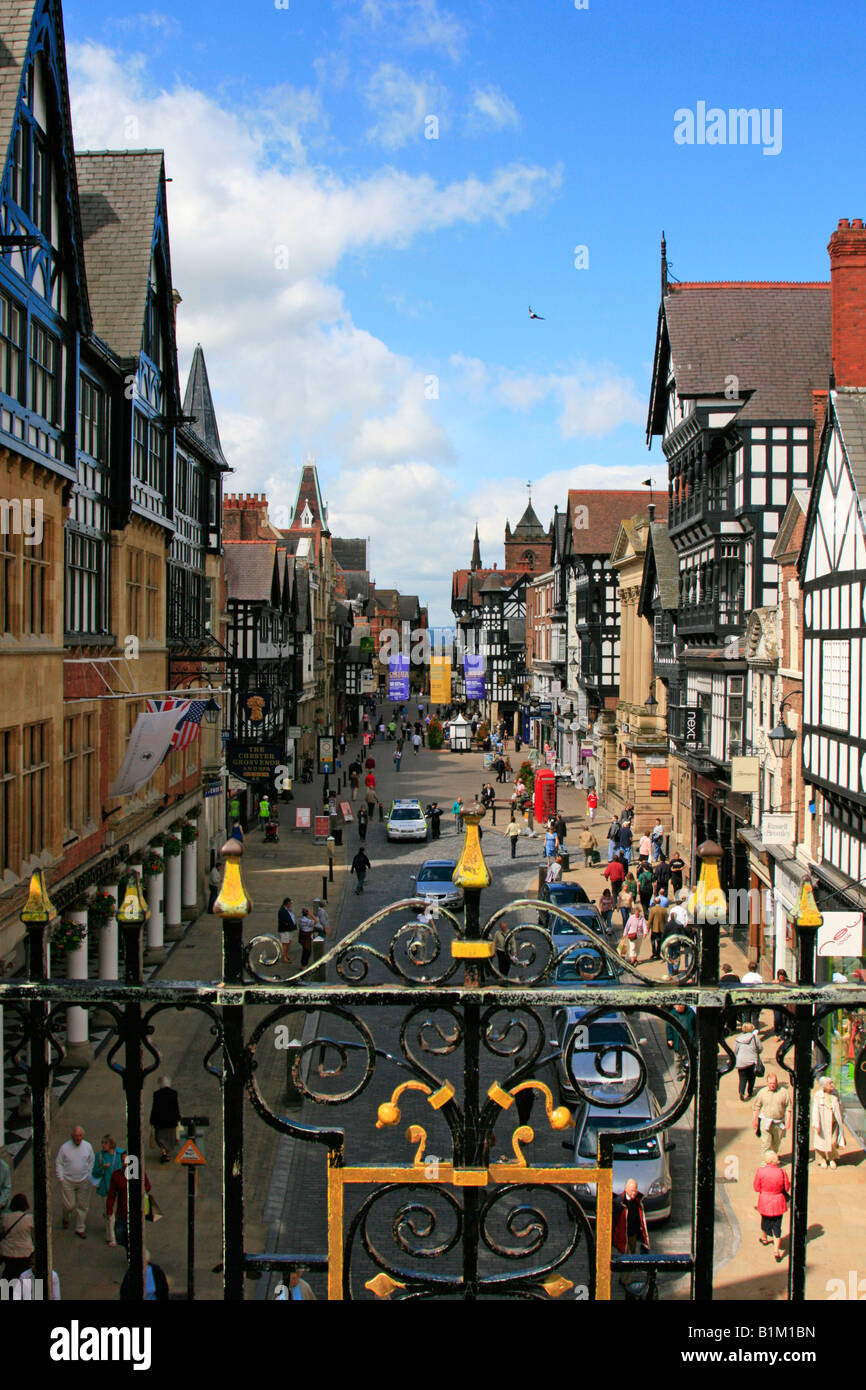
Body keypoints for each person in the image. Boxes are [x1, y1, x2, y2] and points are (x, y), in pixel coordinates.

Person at [56, 1125, 95, 1238]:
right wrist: (61, 1178)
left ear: (83, 1136)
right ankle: (65, 1216)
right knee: (69, 1205)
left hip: (84, 1180)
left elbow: (92, 1161)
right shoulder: (64, 1147)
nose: (78, 1138)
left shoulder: (88, 1146)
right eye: (76, 1136)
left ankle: (80, 1228)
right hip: (68, 1181)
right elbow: (59, 1162)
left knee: (83, 1206)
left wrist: (89, 1175)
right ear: (72, 1136)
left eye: (80, 1136)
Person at [753, 1151, 790, 1262]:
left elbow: (756, 1187)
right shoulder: (782, 1172)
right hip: (778, 1202)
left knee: (765, 1220)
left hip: (765, 1201)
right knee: (777, 1226)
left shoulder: (760, 1171)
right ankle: (776, 1251)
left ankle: (764, 1238)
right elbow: (787, 1188)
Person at [611, 1179, 649, 1286]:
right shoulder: (619, 1203)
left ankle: (623, 1277)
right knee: (628, 1258)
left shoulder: (638, 1201)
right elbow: (614, 1220)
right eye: (632, 1190)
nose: (634, 1193)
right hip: (623, 1235)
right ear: (626, 1189)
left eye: (635, 1190)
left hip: (633, 1234)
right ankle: (625, 1281)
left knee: (631, 1255)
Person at [106, 1165, 153, 1250]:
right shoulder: (116, 1175)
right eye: (123, 1161)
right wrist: (109, 1210)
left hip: (135, 1213)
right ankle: (131, 1250)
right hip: (122, 1213)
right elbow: (111, 1194)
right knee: (120, 1237)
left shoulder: (138, 1173)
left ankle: (136, 1253)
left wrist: (139, 1190)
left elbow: (148, 1186)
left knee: (135, 1238)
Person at [91, 1134, 126, 1245]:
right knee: (110, 1214)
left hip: (119, 1188)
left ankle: (109, 1230)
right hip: (106, 1188)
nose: (103, 1145)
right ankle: (112, 1238)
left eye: (105, 1143)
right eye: (102, 1142)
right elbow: (94, 1173)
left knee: (116, 1212)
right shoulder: (99, 1156)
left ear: (111, 1144)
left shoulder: (120, 1154)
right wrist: (102, 1168)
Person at [752, 1073, 792, 1156]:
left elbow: (788, 1108)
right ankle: (765, 1163)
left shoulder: (784, 1092)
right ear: (767, 1083)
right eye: (770, 1083)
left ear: (777, 1082)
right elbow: (756, 1107)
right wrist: (755, 1120)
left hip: (778, 1123)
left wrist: (788, 1122)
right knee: (766, 1143)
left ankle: (773, 1159)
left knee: (776, 1144)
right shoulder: (762, 1092)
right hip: (765, 1122)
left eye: (774, 1083)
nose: (772, 1085)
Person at [811, 1077, 846, 1168]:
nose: (832, 1085)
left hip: (834, 1122)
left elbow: (840, 1106)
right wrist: (816, 1123)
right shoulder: (818, 1095)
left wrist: (842, 1118)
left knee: (833, 1141)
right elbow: (815, 1110)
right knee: (821, 1141)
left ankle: (831, 1158)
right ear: (824, 1086)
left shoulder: (835, 1094)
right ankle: (822, 1159)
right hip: (822, 1123)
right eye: (830, 1084)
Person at [0, 1194, 34, 1279]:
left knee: (9, 1273)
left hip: (8, 1252)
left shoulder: (5, 1217)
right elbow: (33, 1236)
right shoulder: (30, 1219)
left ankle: (6, 1291)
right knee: (24, 1275)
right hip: (25, 1252)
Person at [149, 1076, 181, 1163]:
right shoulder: (174, 1093)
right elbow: (176, 1107)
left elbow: (155, 1108)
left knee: (160, 1138)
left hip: (160, 1121)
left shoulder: (156, 1094)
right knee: (170, 1139)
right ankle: (167, 1153)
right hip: (171, 1121)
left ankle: (163, 1153)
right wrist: (178, 1117)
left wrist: (152, 1120)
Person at [665, 1003, 696, 1079]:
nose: (676, 1007)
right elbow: (668, 1027)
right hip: (678, 1040)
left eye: (679, 1006)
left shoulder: (690, 1013)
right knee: (678, 1058)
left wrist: (695, 1038)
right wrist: (670, 1039)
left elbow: (695, 1025)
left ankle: (688, 1072)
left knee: (688, 1057)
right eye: (676, 1006)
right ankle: (678, 1074)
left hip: (688, 1039)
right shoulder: (672, 1014)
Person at [733, 1024, 762, 1102]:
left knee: (742, 1078)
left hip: (741, 1062)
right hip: (752, 1061)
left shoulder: (738, 1039)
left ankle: (741, 1092)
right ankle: (750, 1091)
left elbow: (735, 1051)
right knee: (751, 1078)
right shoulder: (755, 1037)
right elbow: (760, 1048)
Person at [740, 961, 765, 1027]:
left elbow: (742, 988)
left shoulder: (745, 977)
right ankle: (755, 1032)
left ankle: (746, 1032)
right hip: (756, 999)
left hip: (747, 999)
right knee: (755, 1017)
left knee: (746, 1017)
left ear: (748, 968)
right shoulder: (759, 977)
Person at [772, 969, 794, 1040]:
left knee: (783, 1020)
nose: (781, 977)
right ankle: (776, 1032)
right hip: (777, 1004)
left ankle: (782, 1035)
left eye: (783, 975)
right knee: (777, 1019)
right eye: (780, 975)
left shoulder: (788, 983)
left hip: (785, 1004)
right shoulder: (775, 983)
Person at [647, 895, 668, 961]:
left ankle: (654, 952)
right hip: (661, 928)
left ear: (654, 902)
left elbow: (650, 920)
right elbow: (666, 920)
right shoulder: (664, 910)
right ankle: (658, 953)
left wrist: (647, 928)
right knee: (659, 942)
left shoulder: (652, 910)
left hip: (654, 928)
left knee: (653, 940)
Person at [278, 897, 296, 964]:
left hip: (290, 929)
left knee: (289, 942)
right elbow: (282, 921)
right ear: (287, 904)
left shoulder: (288, 909)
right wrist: (287, 924)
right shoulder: (282, 911)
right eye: (290, 903)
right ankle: (284, 957)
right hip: (285, 930)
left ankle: (286, 954)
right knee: (285, 943)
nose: (291, 905)